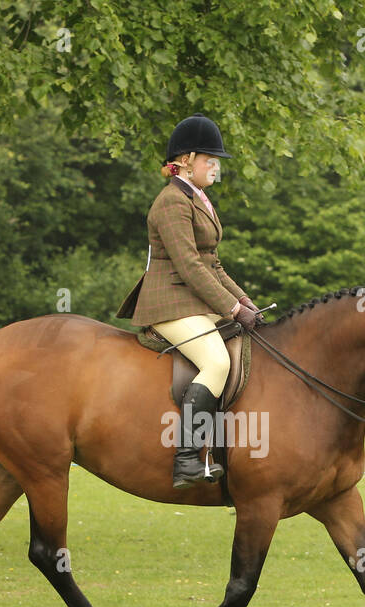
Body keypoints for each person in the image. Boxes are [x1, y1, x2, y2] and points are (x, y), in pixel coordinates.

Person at [117, 114, 261, 488]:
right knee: (215, 362)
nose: (215, 166)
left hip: (194, 299)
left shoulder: (197, 198)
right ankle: (185, 460)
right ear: (185, 160)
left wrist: (244, 300)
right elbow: (190, 266)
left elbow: (213, 263)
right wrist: (231, 309)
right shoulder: (170, 202)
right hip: (170, 302)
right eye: (209, 159)